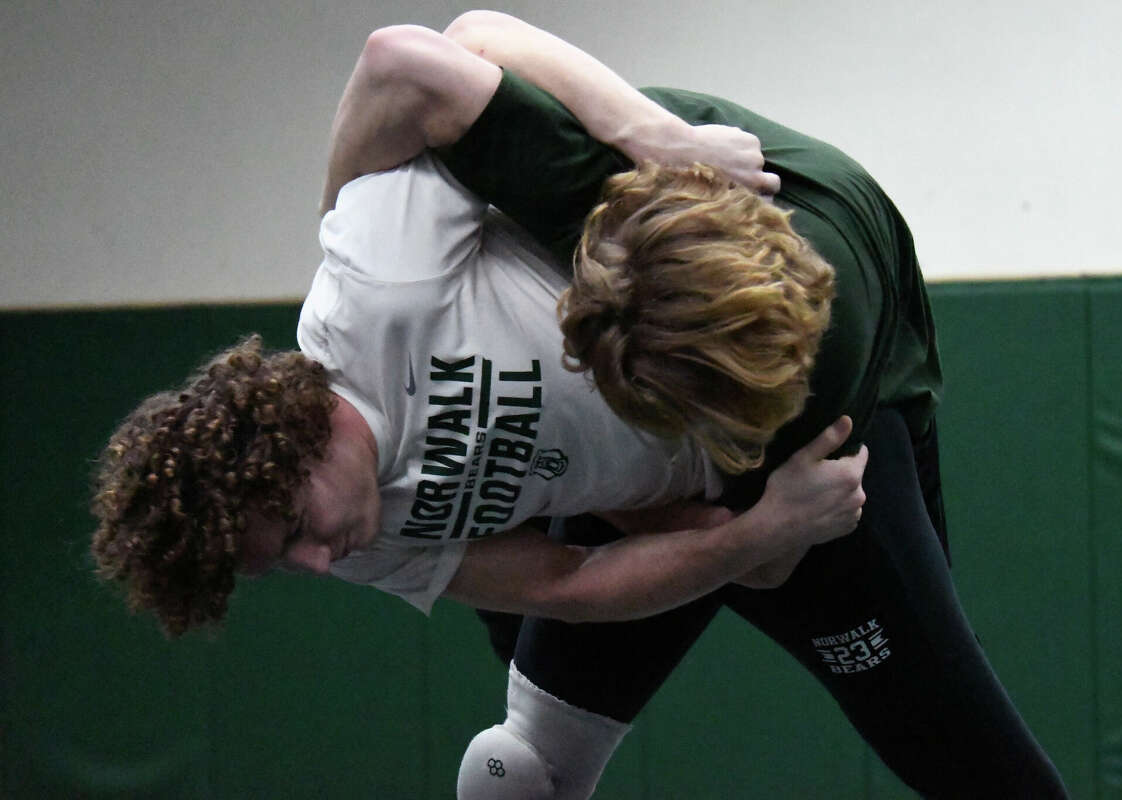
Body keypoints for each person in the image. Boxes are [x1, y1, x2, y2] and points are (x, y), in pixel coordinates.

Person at [315, 12, 1070, 799]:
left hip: (837, 356)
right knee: (519, 773)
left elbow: (765, 560)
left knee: (960, 739)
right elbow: (448, 43)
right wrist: (645, 128)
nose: (313, 557)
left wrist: (717, 521)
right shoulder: (598, 202)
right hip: (683, 191)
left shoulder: (808, 389)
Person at [88, 29, 865, 643]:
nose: (321, 562)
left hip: (718, 299)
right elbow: (568, 585)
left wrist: (650, 135)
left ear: (291, 442)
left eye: (296, 529)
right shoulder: (369, 539)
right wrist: (756, 534)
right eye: (284, 565)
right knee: (762, 565)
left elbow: (414, 58)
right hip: (719, 458)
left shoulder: (372, 303)